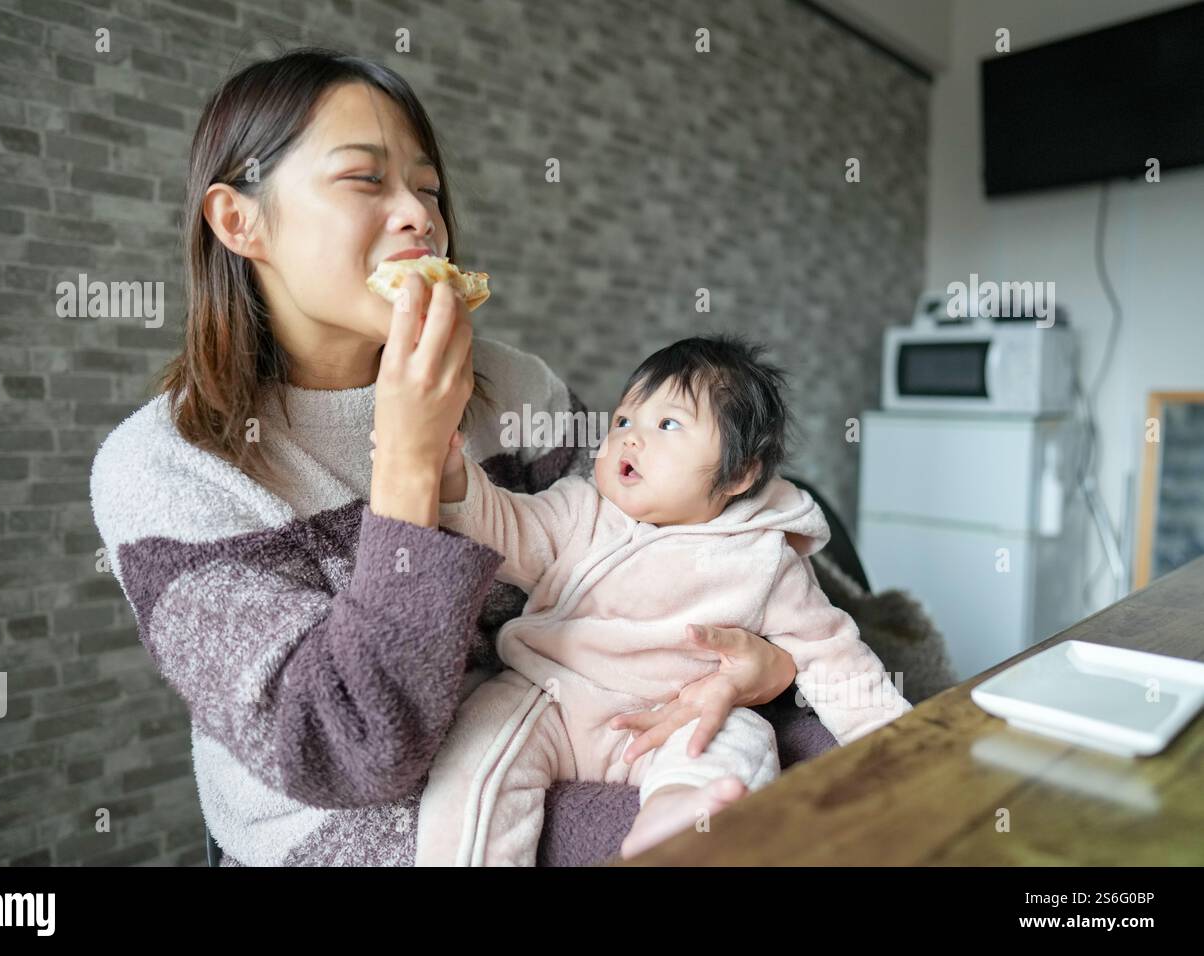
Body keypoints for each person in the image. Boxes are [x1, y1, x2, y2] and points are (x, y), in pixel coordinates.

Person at [89, 48, 827, 866]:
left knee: (838, 771)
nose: (418, 217)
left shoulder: (514, 386)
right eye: (366, 180)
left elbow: (651, 559)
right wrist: (407, 461)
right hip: (360, 827)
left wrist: (773, 664)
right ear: (239, 222)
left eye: (429, 190)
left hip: (564, 737)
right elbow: (353, 751)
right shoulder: (166, 469)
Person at [412, 336, 911, 865]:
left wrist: (897, 743)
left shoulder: (762, 558)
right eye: (624, 420)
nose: (631, 439)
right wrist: (451, 479)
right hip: (553, 699)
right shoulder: (581, 508)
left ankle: (676, 819)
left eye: (668, 425)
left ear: (739, 473)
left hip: (674, 714)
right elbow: (507, 529)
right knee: (477, 757)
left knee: (739, 739)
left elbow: (830, 654)